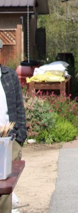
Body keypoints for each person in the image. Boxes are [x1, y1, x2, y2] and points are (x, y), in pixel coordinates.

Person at [0, 63, 26, 213]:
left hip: (8, 139)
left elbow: (18, 106)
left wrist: (19, 137)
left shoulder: (9, 75)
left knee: (4, 188)